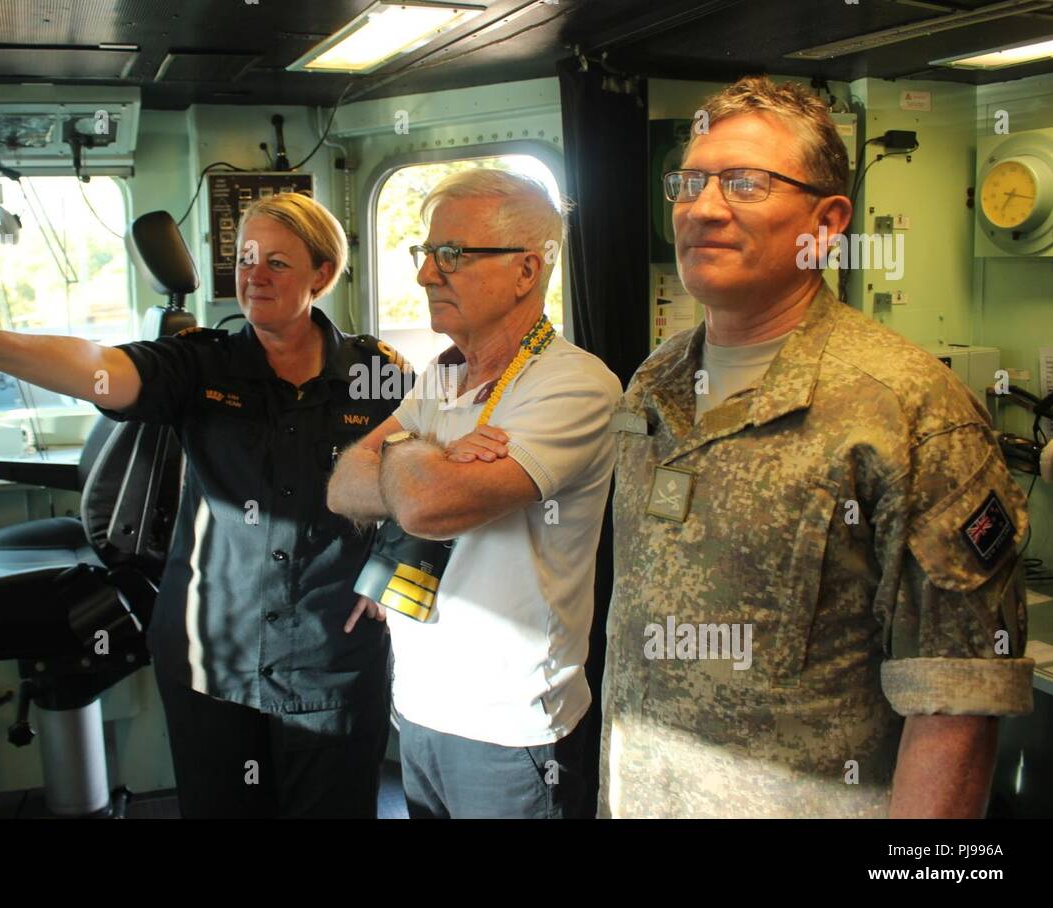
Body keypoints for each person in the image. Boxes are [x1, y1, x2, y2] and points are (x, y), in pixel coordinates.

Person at [0, 192, 408, 818]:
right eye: (245, 259)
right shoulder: (201, 363)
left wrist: (392, 574)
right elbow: (98, 367)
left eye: (277, 263)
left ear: (321, 275)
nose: (253, 277)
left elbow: (422, 476)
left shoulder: (376, 373)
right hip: (211, 654)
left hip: (332, 659)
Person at [599, 75, 1033, 818]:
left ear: (827, 223)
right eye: (690, 180)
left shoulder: (908, 409)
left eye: (744, 183)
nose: (702, 208)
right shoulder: (653, 381)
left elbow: (956, 700)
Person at [328, 169, 622, 818]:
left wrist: (406, 455)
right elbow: (345, 484)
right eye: (426, 254)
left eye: (452, 255)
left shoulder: (576, 386)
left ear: (526, 271)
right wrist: (430, 456)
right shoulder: (444, 375)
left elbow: (429, 505)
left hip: (511, 729)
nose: (427, 274)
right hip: (420, 709)